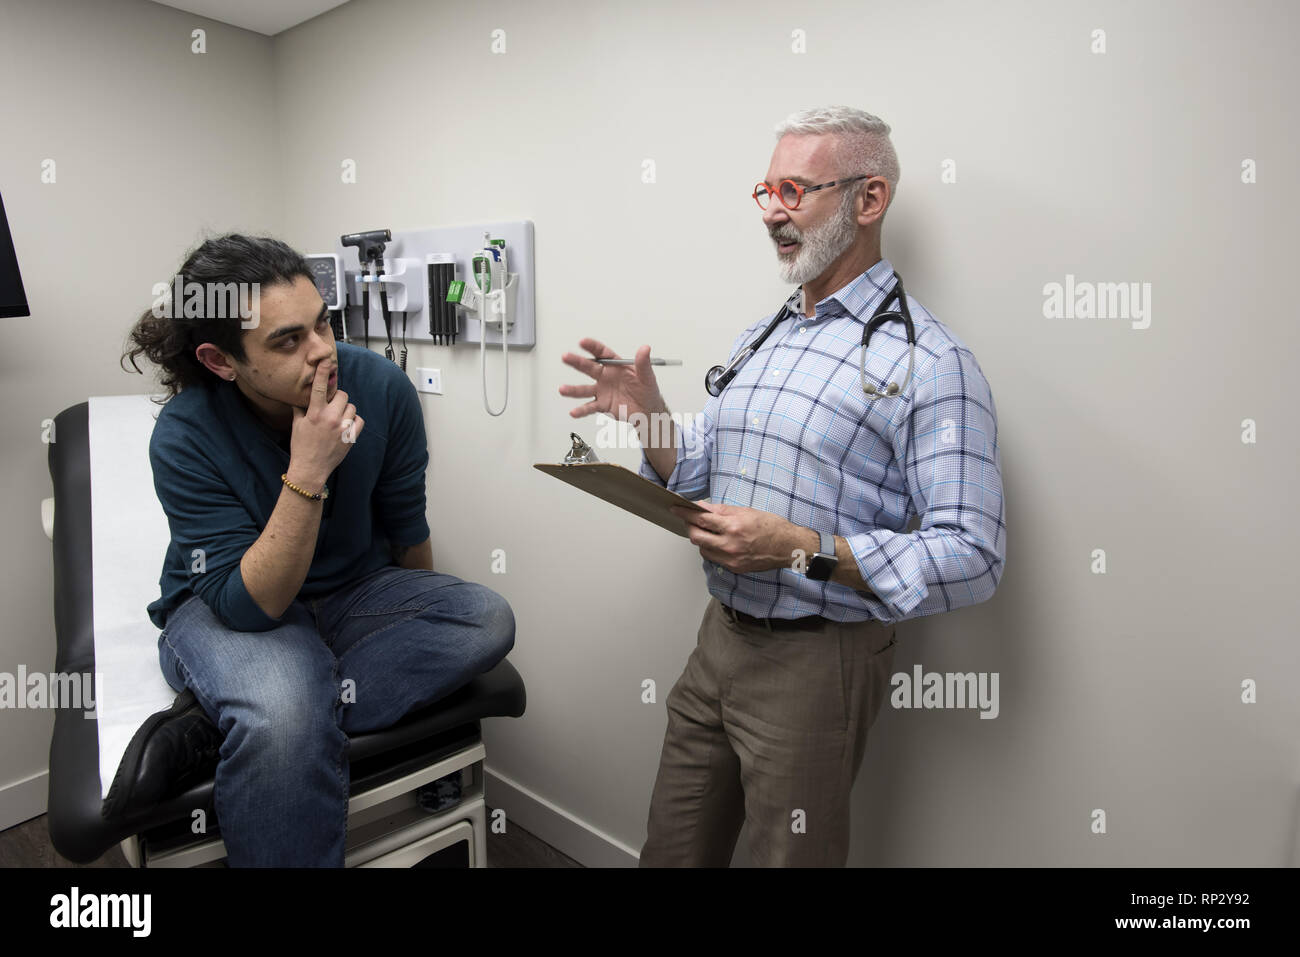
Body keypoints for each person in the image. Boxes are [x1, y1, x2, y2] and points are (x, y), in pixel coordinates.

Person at [560, 106, 1006, 867]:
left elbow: (972, 555)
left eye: (794, 190)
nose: (772, 212)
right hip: (718, 641)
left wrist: (802, 549)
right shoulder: (764, 336)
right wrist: (653, 421)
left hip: (818, 661)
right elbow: (701, 475)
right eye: (766, 191)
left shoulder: (932, 363)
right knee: (670, 849)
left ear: (869, 200)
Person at [121, 234, 515, 866]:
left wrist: (422, 629)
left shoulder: (381, 388)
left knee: (485, 619)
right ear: (223, 362)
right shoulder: (185, 434)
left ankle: (220, 722)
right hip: (229, 603)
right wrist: (308, 470)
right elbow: (255, 605)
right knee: (281, 712)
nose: (323, 352)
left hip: (353, 593)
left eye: (323, 324)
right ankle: (266, 714)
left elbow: (407, 531)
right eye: (287, 341)